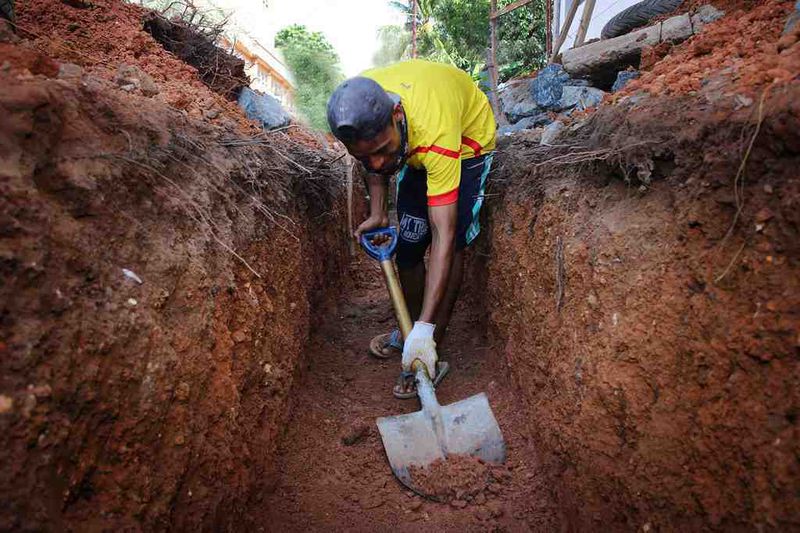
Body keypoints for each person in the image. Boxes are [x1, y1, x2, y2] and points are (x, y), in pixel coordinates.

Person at [326, 59, 496, 398]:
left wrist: (426, 330)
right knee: (409, 244)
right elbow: (373, 159)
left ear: (398, 116)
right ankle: (411, 331)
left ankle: (430, 342)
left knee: (451, 239)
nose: (377, 164)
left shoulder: (436, 135)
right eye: (364, 157)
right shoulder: (361, 105)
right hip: (415, 147)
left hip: (464, 145)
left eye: (380, 151)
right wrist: (377, 211)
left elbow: (444, 233)